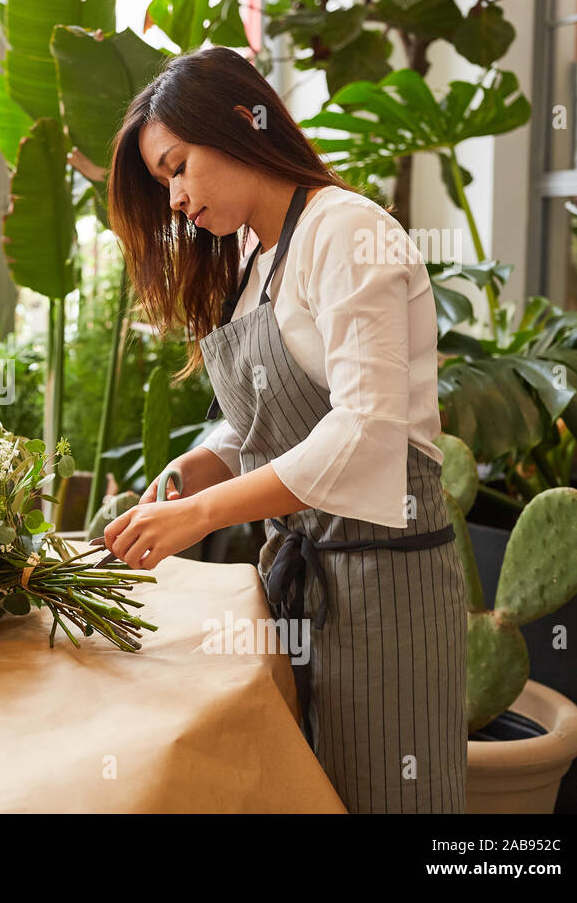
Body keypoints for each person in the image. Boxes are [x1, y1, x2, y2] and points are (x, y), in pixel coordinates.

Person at [100, 46, 467, 814]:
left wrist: (198, 517)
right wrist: (184, 478)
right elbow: (253, 424)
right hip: (305, 582)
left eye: (178, 166)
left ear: (241, 123)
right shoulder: (252, 257)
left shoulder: (347, 233)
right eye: (163, 181)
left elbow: (366, 428)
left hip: (384, 582)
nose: (174, 197)